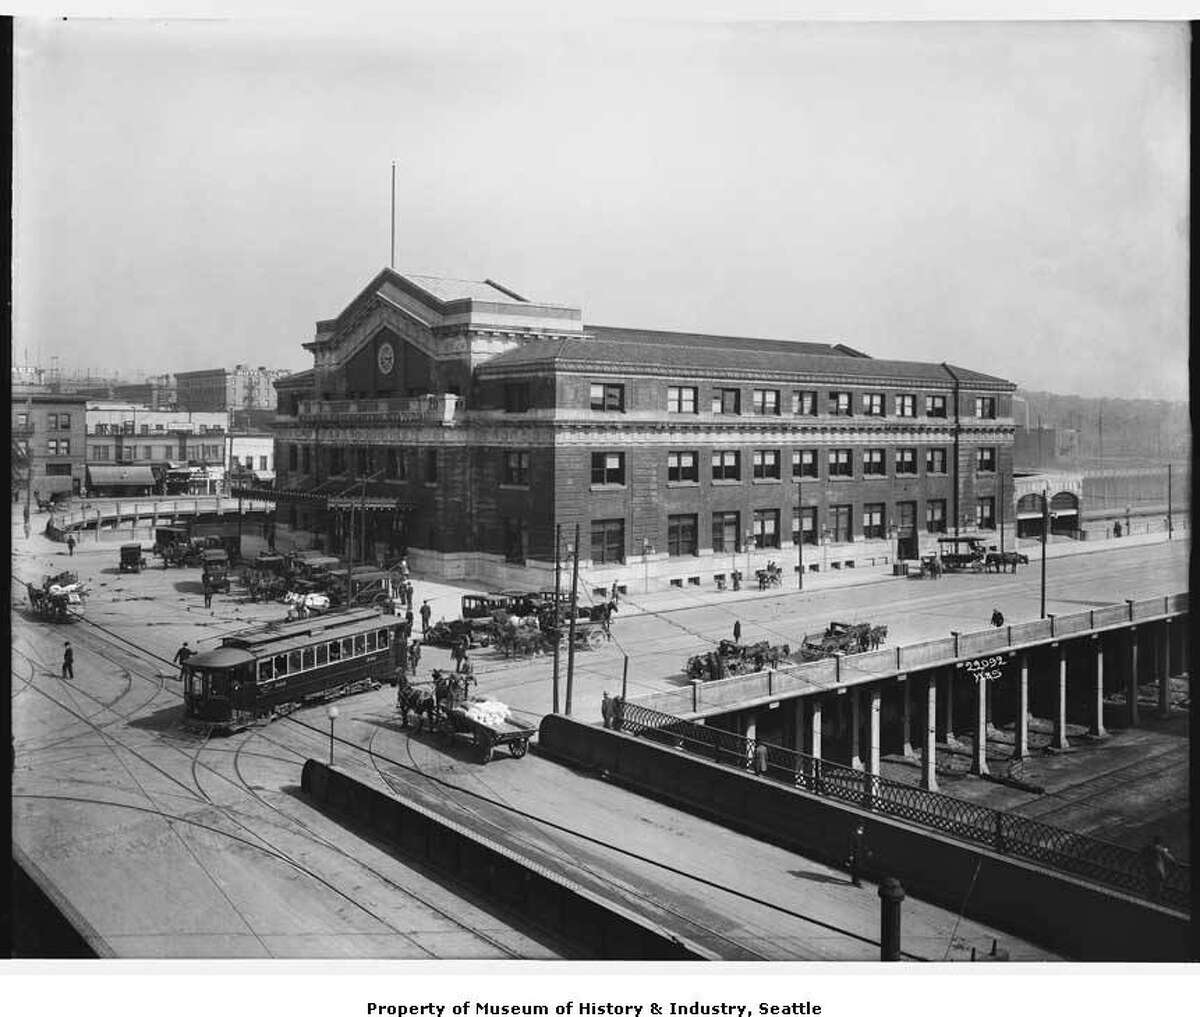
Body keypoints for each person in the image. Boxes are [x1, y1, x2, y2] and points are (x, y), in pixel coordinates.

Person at [846, 823, 869, 887]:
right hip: (855, 853)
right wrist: (851, 855)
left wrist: (866, 851)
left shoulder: (862, 835)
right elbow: (850, 845)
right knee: (856, 867)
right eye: (860, 827)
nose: (861, 828)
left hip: (860, 854)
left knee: (858, 868)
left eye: (862, 827)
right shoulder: (853, 834)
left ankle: (855, 880)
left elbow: (864, 844)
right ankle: (856, 881)